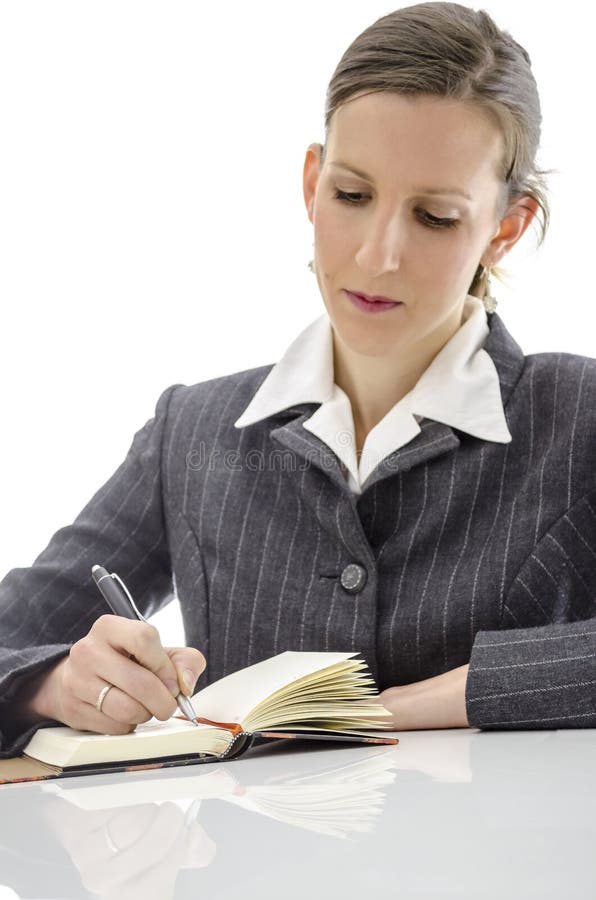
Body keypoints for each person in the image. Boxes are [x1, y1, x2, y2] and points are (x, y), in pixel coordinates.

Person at [1, 1, 595, 759]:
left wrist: (445, 698)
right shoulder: (195, 430)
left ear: (506, 228)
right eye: (352, 195)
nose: (378, 255)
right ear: (312, 183)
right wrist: (52, 683)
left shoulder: (578, 416)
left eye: (435, 217)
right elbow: (11, 635)